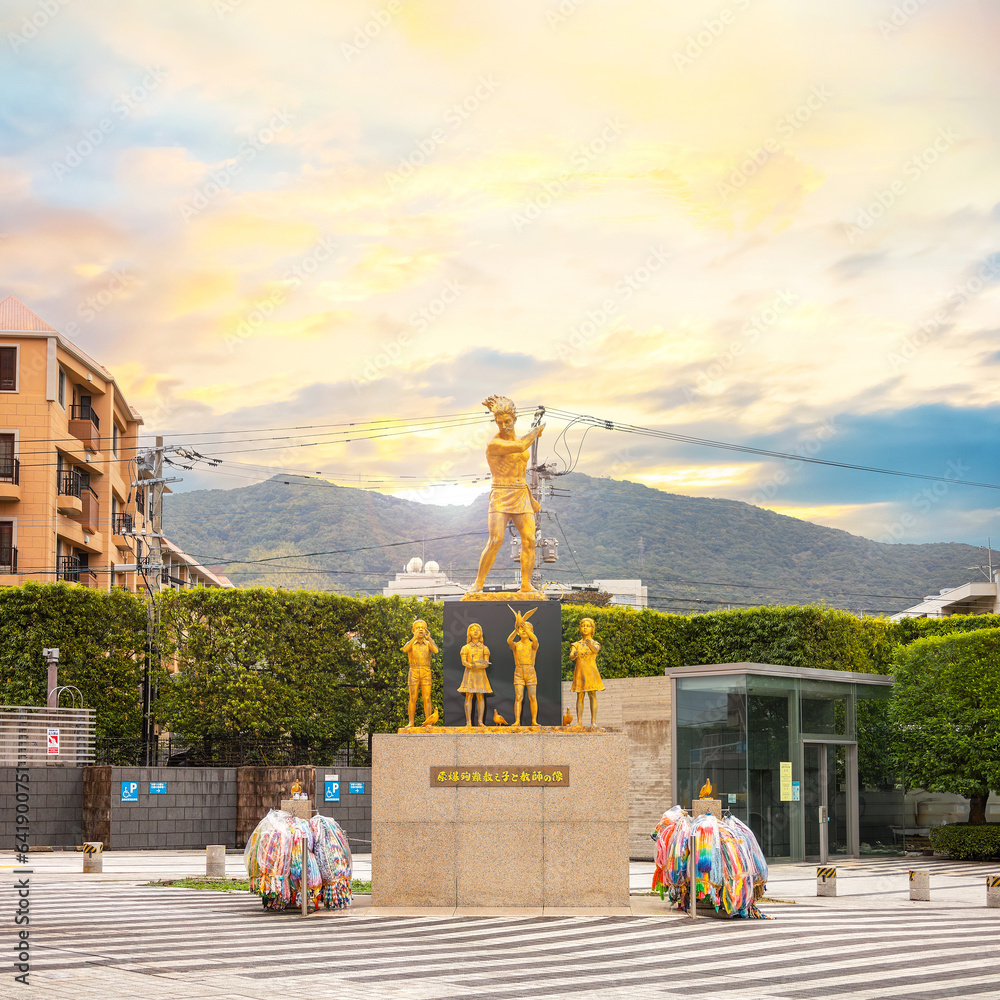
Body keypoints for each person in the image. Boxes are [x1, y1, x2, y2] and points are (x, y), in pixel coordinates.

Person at [467, 395, 544, 594]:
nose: (504, 426)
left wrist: (531, 434)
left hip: (521, 493)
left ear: (514, 420)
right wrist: (535, 431)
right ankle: (478, 583)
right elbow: (519, 447)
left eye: (507, 421)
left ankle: (526, 584)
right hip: (501, 492)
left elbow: (521, 446)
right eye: (499, 422)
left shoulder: (520, 439)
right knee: (496, 540)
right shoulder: (495, 444)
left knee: (530, 540)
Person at [507, 606, 539, 726]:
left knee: (532, 696)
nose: (524, 630)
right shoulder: (516, 645)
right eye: (522, 629)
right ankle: (517, 721)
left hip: (530, 671)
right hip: (519, 671)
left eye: (527, 629)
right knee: (519, 697)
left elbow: (535, 640)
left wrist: (525, 627)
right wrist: (516, 629)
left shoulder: (533, 645)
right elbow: (509, 641)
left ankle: (534, 720)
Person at [402, 619, 437, 728]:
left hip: (426, 671)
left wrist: (429, 638)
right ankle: (411, 722)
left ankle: (428, 723)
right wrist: (414, 638)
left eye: (423, 627)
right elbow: (405, 649)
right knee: (413, 697)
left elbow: (435, 650)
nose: (420, 629)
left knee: (427, 698)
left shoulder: (428, 643)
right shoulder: (411, 643)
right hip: (414, 671)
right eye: (418, 628)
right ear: (413, 630)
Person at [569, 617, 604, 727]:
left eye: (587, 626)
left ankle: (593, 721)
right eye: (583, 626)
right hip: (580, 672)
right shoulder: (576, 644)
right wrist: (574, 655)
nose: (585, 628)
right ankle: (579, 722)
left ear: (592, 629)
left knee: (592, 694)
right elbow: (571, 656)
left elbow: (595, 650)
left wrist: (590, 645)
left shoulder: (595, 643)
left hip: (591, 672)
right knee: (580, 696)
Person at [458, 623, 492, 727]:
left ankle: (480, 721)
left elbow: (486, 662)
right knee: (469, 696)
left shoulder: (484, 648)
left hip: (480, 674)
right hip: (470, 674)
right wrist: (471, 665)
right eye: (473, 630)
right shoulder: (465, 648)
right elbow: (463, 662)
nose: (476, 631)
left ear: (481, 633)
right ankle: (468, 722)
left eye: (478, 629)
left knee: (481, 696)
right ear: (469, 633)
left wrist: (480, 665)